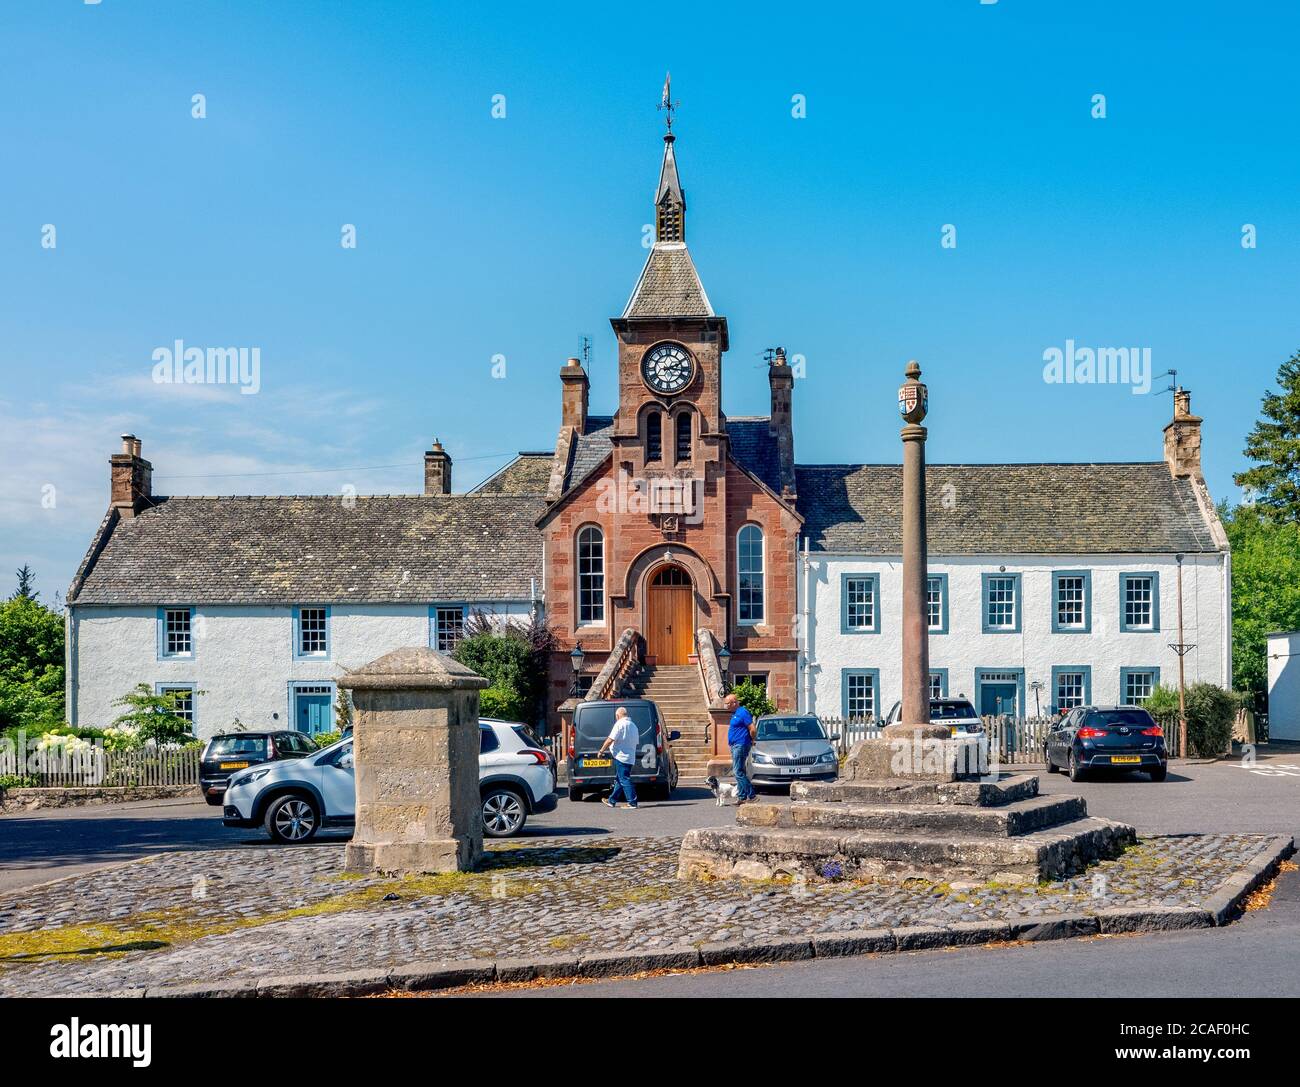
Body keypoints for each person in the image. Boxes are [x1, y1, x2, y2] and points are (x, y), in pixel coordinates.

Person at [596, 705, 640, 809]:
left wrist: (601, 750)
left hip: (621, 756)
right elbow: (636, 742)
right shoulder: (633, 725)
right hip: (630, 757)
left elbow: (610, 739)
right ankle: (612, 800)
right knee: (620, 779)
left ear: (617, 715)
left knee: (624, 779)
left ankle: (632, 802)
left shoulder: (619, 724)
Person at [724, 693, 757, 803]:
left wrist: (752, 740)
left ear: (734, 702)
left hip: (740, 745)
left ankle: (752, 796)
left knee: (737, 772)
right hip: (735, 745)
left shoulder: (743, 712)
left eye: (727, 704)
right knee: (740, 771)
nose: (726, 706)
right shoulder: (735, 713)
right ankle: (742, 797)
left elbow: (752, 728)